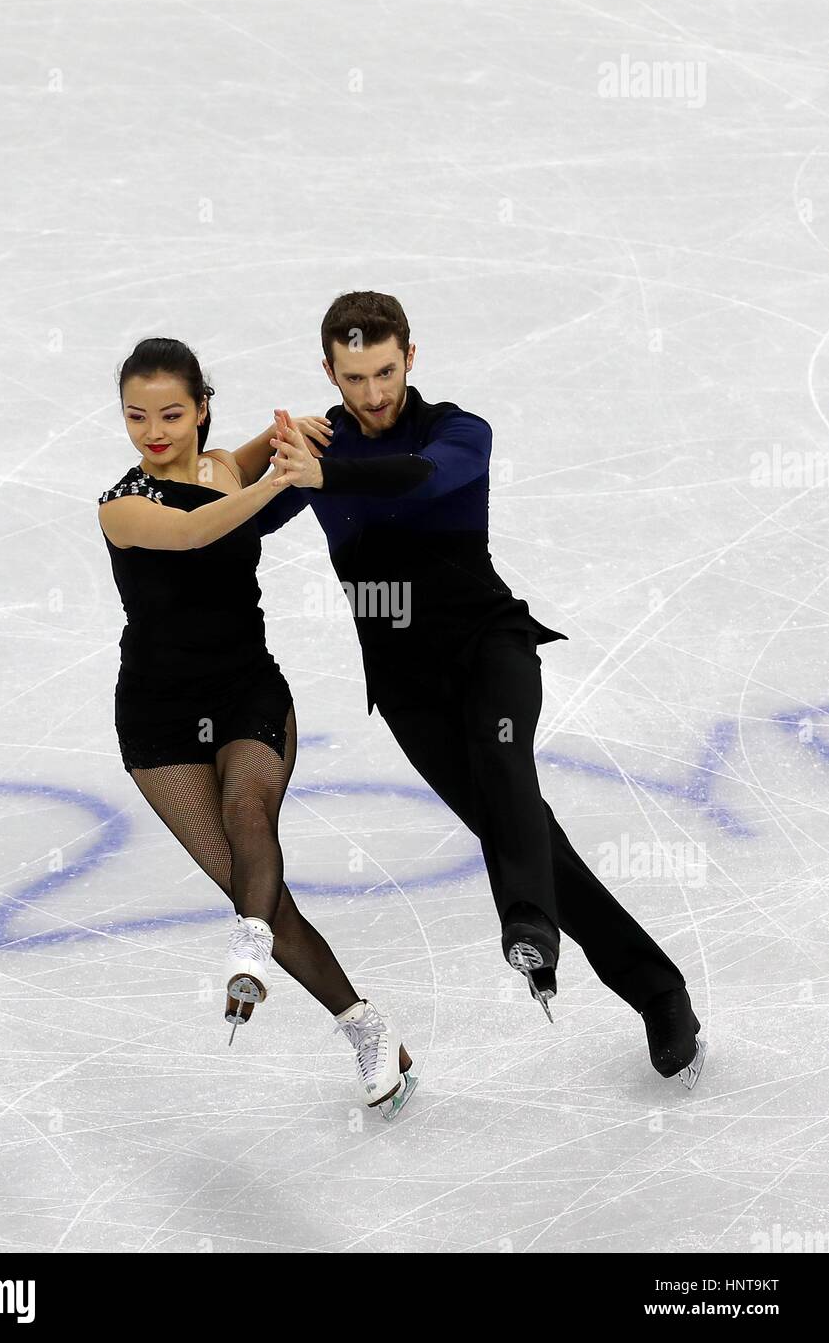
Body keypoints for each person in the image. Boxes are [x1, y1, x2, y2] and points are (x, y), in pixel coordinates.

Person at [257, 293, 707, 1088]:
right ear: (328, 371)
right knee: (517, 827)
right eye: (354, 376)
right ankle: (659, 991)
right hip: (404, 684)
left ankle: (526, 924)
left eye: (386, 370)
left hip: (490, 645)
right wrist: (265, 451)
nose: (372, 392)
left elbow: (420, 481)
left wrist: (321, 470)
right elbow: (240, 519)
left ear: (411, 357)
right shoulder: (311, 451)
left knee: (506, 776)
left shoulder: (456, 431)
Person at [96, 337, 417, 1118]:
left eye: (171, 412)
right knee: (263, 894)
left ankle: (247, 941)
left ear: (202, 408)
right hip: (156, 717)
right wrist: (275, 477)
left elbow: (231, 478)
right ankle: (367, 1028)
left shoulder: (219, 468)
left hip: (246, 694)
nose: (154, 430)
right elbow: (199, 530)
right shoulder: (122, 505)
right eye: (137, 416)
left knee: (249, 818)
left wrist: (292, 440)